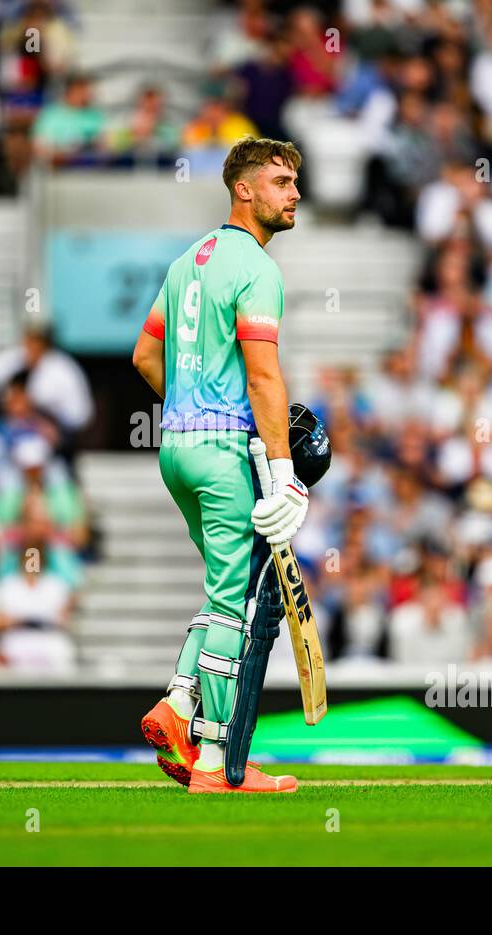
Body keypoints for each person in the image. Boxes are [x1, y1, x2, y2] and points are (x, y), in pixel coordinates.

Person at [131, 137, 307, 794]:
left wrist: (185, 407)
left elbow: (144, 358)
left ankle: (177, 707)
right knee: (233, 605)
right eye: (282, 181)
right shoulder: (258, 269)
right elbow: (263, 379)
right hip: (225, 451)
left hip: (176, 448)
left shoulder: (186, 262)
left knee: (220, 594)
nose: (294, 194)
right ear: (244, 189)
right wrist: (284, 473)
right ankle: (215, 763)